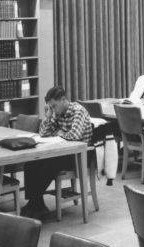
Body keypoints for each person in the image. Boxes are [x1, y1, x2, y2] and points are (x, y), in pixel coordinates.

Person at [21, 85, 93, 218]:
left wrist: (58, 133)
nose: (53, 109)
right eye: (51, 107)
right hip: (62, 152)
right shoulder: (56, 112)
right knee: (31, 163)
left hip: (79, 155)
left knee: (48, 165)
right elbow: (43, 133)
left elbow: (75, 136)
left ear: (63, 100)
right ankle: (37, 203)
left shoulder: (78, 111)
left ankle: (35, 204)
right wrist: (48, 117)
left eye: (54, 106)